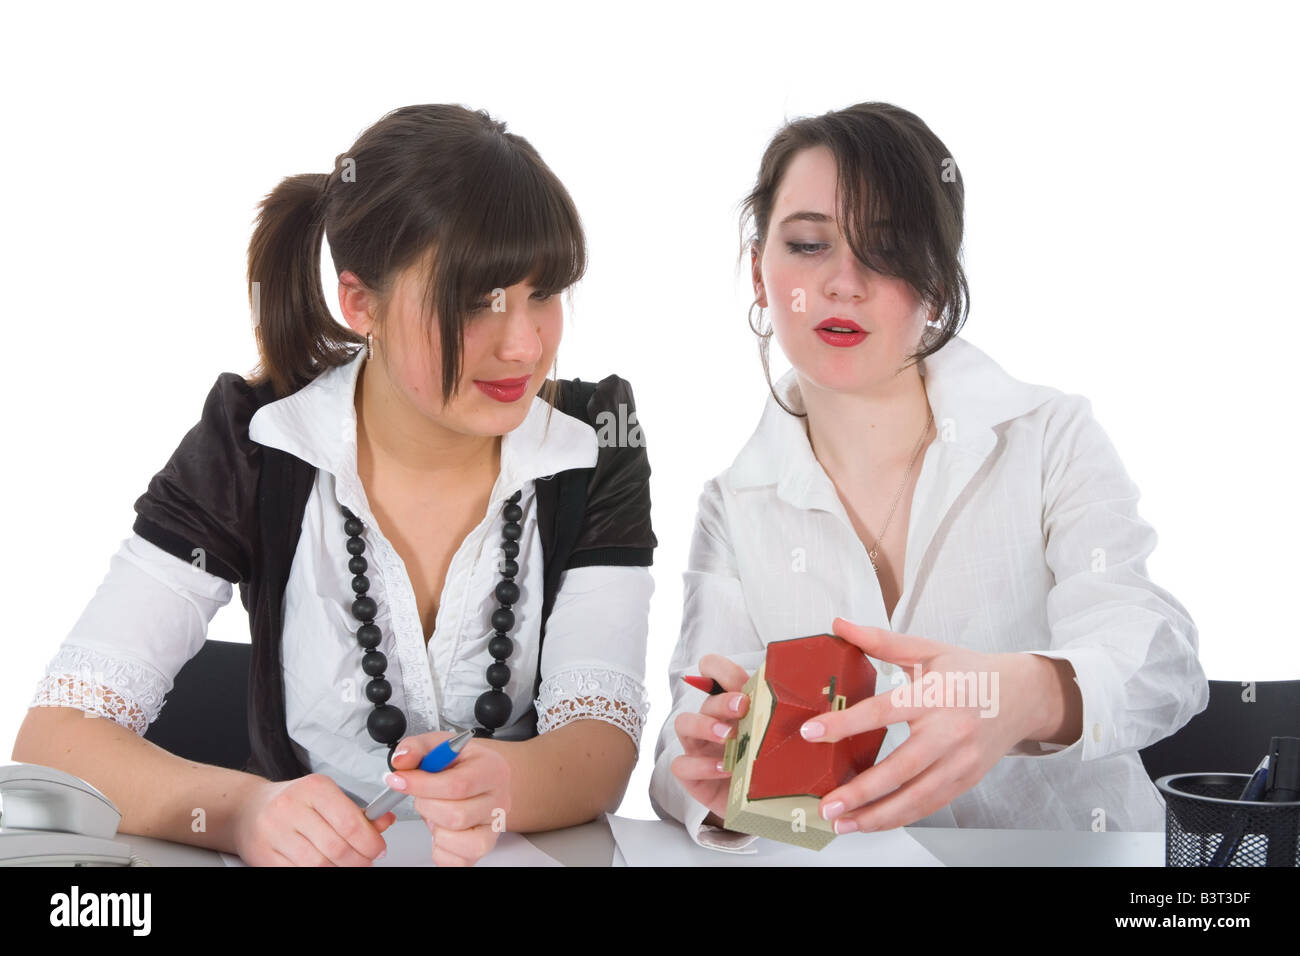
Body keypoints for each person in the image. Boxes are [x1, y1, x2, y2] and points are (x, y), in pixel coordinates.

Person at [14, 104, 657, 866]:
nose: (524, 344)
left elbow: (601, 747)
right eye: (474, 300)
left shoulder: (593, 438)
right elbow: (57, 740)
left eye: (543, 294)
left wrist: (508, 780)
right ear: (360, 304)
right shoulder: (256, 439)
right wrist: (243, 812)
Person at [649, 101, 1208, 851]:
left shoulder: (1047, 436)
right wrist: (720, 785)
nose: (843, 283)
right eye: (809, 244)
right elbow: (677, 754)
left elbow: (1161, 659)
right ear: (759, 272)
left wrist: (1024, 695)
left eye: (886, 250)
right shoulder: (735, 504)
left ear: (938, 284)